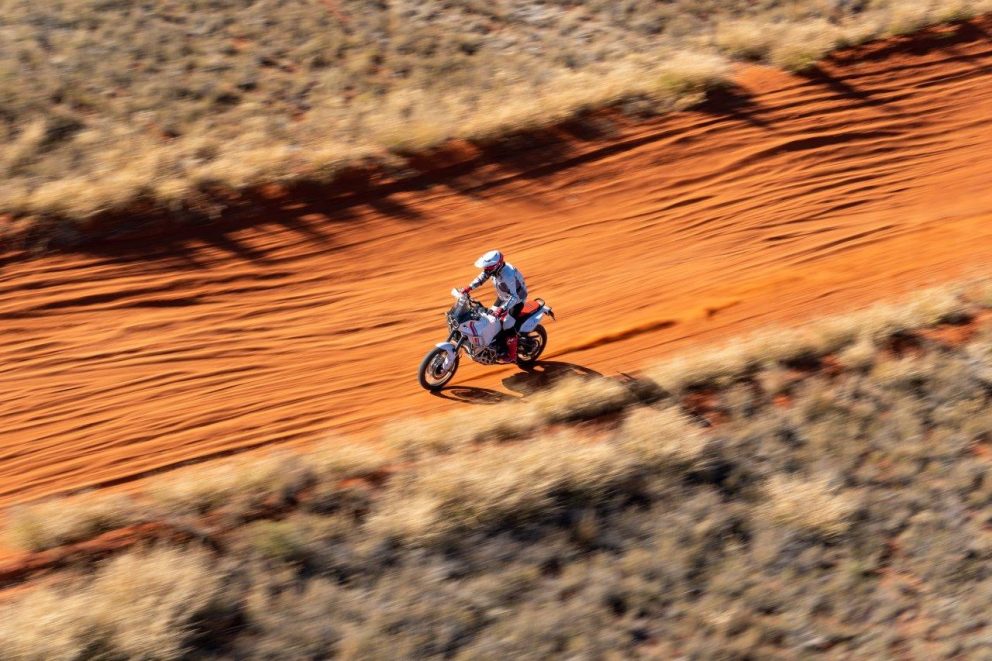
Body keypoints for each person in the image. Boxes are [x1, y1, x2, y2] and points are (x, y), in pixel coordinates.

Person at [460, 250, 528, 362]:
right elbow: (481, 278)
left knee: (507, 324)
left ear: (496, 265)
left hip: (517, 300)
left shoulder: (508, 275)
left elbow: (514, 297)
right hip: (503, 297)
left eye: (488, 268)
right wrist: (469, 288)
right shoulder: (493, 270)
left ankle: (512, 354)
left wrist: (502, 309)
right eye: (486, 268)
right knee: (489, 319)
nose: (486, 270)